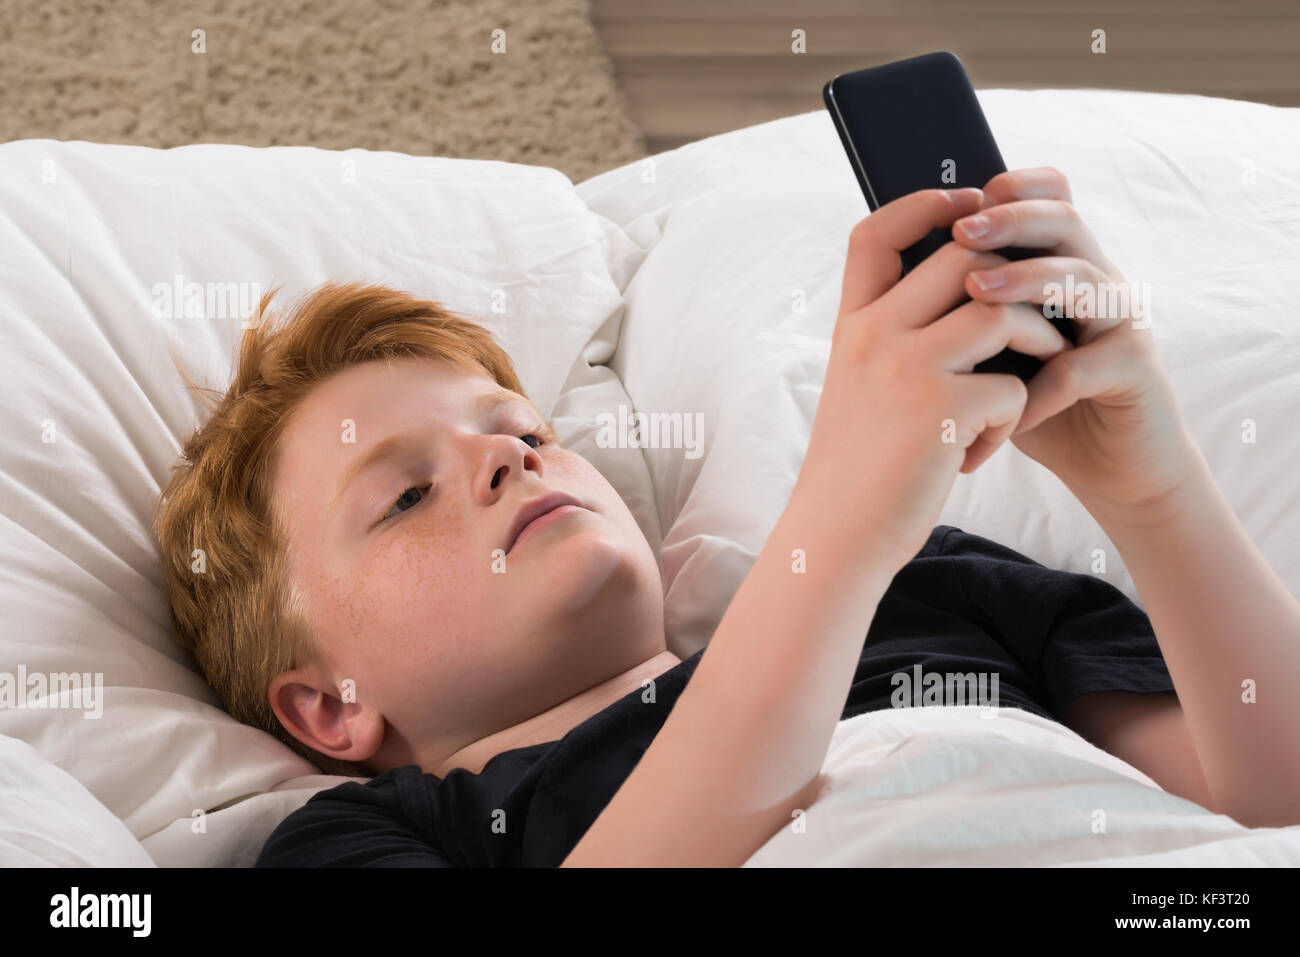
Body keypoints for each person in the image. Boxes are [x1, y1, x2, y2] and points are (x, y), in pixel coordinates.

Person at [150, 167, 1300, 868]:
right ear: (326, 707)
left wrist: (1154, 492)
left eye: (525, 432)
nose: (504, 456)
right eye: (404, 495)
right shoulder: (376, 840)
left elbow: (1269, 808)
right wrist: (839, 530)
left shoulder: (921, 586)